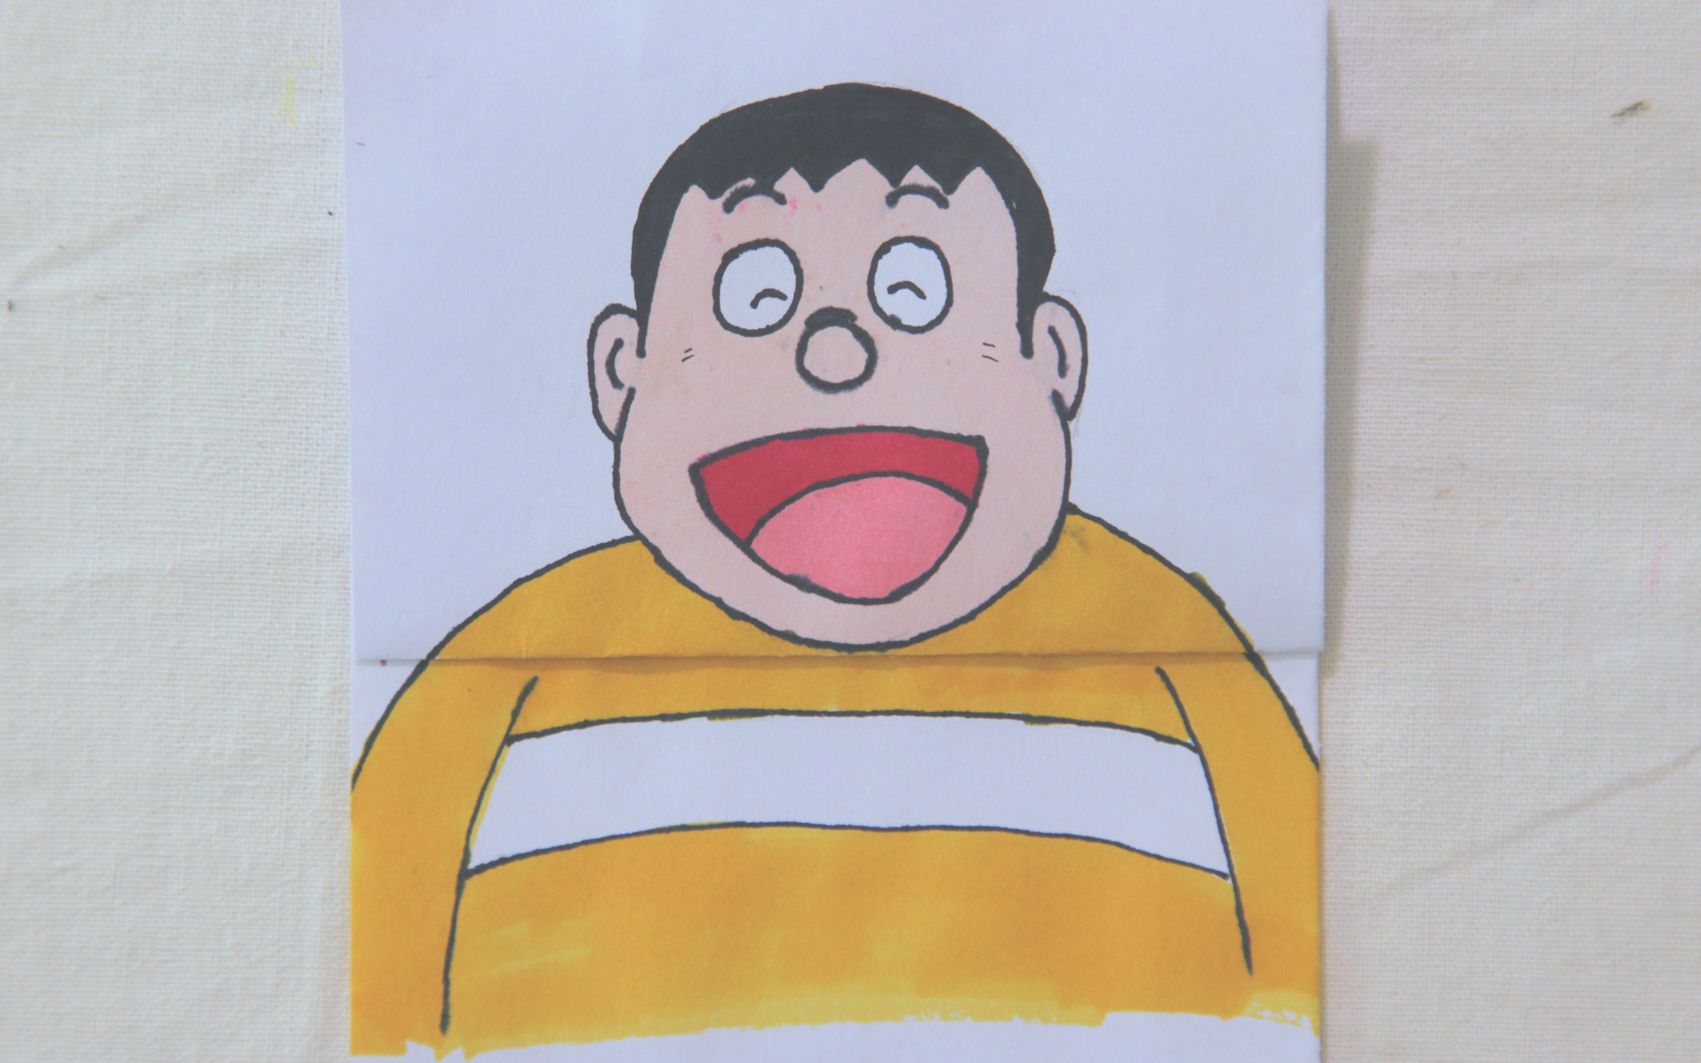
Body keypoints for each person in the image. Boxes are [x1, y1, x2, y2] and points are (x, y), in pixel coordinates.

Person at [352, 83, 1317, 1056]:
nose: (835, 350)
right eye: (756, 298)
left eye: (913, 291)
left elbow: (1294, 969)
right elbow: (386, 982)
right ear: (619, 370)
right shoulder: (503, 677)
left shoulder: (1170, 649)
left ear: (1053, 357)